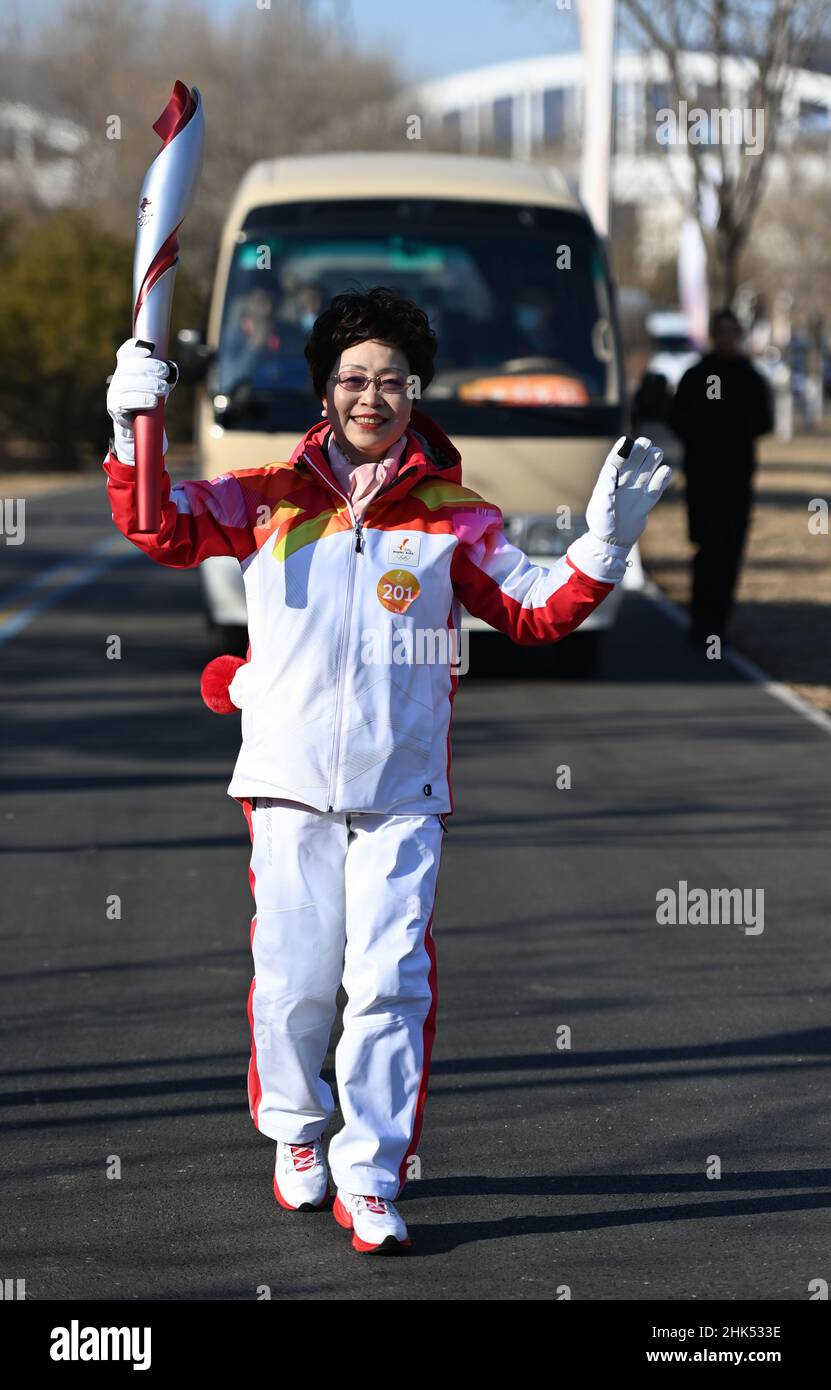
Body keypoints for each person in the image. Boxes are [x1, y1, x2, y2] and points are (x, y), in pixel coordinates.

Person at [103, 286, 671, 1256]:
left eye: (393, 380)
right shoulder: (266, 493)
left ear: (416, 391)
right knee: (294, 980)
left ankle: (370, 1174)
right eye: (355, 378)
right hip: (285, 782)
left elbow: (540, 610)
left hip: (401, 790)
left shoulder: (455, 517)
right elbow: (158, 525)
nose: (374, 396)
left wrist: (606, 543)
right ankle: (295, 1130)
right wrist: (132, 424)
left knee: (388, 980)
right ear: (326, 388)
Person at [670, 307, 773, 645]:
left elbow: (763, 422)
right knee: (706, 549)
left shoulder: (750, 377)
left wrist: (734, 423)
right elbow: (679, 419)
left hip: (737, 479)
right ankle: (701, 622)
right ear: (714, 335)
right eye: (722, 332)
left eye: (733, 332)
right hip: (702, 478)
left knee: (730, 550)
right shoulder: (696, 375)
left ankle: (720, 624)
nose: (728, 339)